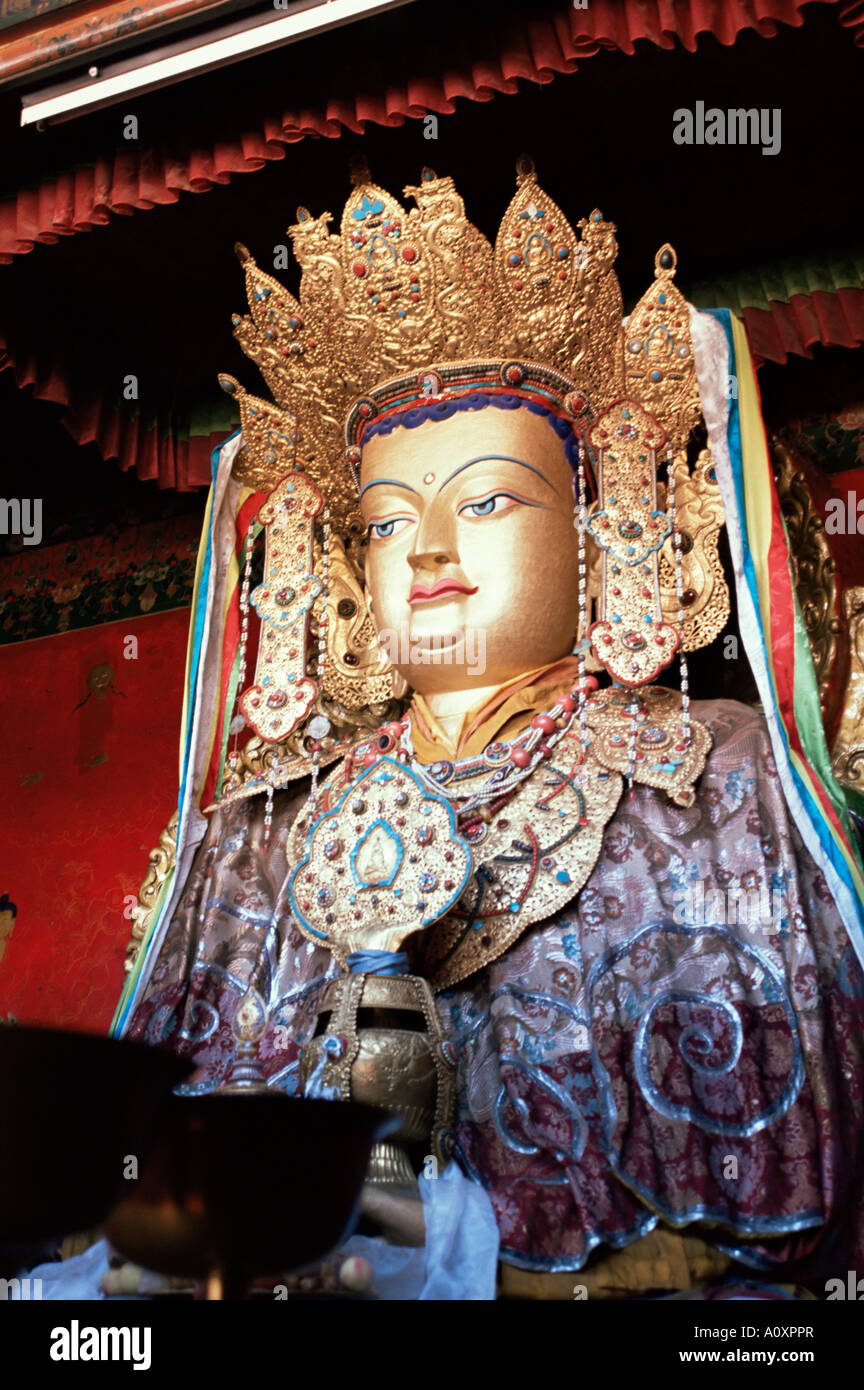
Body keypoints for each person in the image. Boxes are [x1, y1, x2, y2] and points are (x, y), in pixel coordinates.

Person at [114, 162, 864, 1297]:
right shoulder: (252, 833)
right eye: (383, 521)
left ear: (600, 529)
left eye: (487, 500)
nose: (423, 553)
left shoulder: (719, 781)